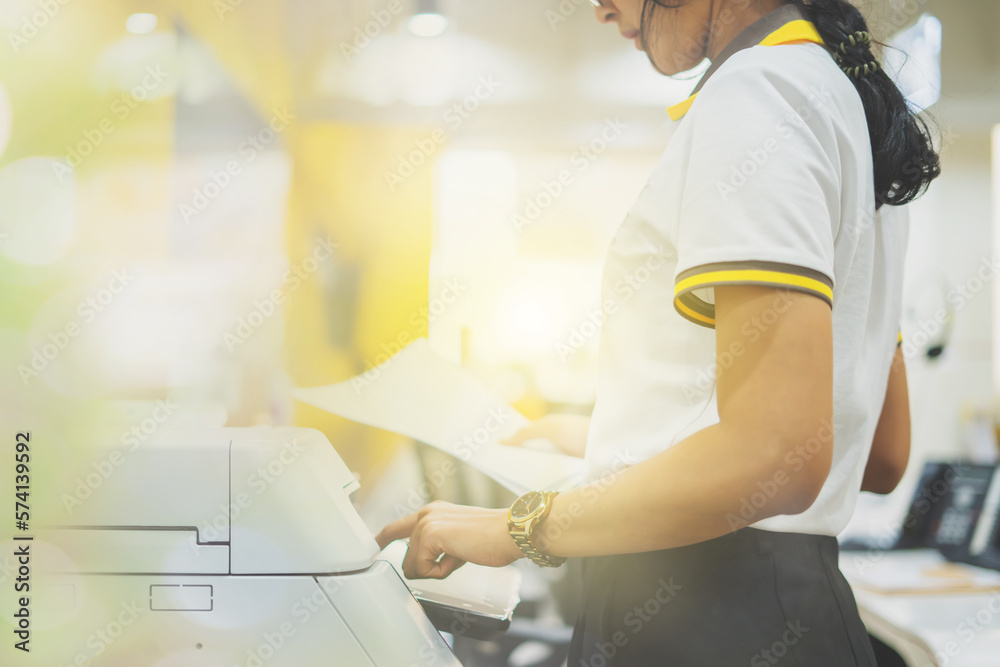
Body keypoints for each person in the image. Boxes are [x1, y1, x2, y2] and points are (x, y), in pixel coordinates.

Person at [376, 0, 940, 663]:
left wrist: (520, 524)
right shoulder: (859, 117)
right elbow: (875, 453)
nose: (600, 8)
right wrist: (618, 439)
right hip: (780, 608)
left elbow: (779, 453)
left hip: (703, 615)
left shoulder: (758, 93)